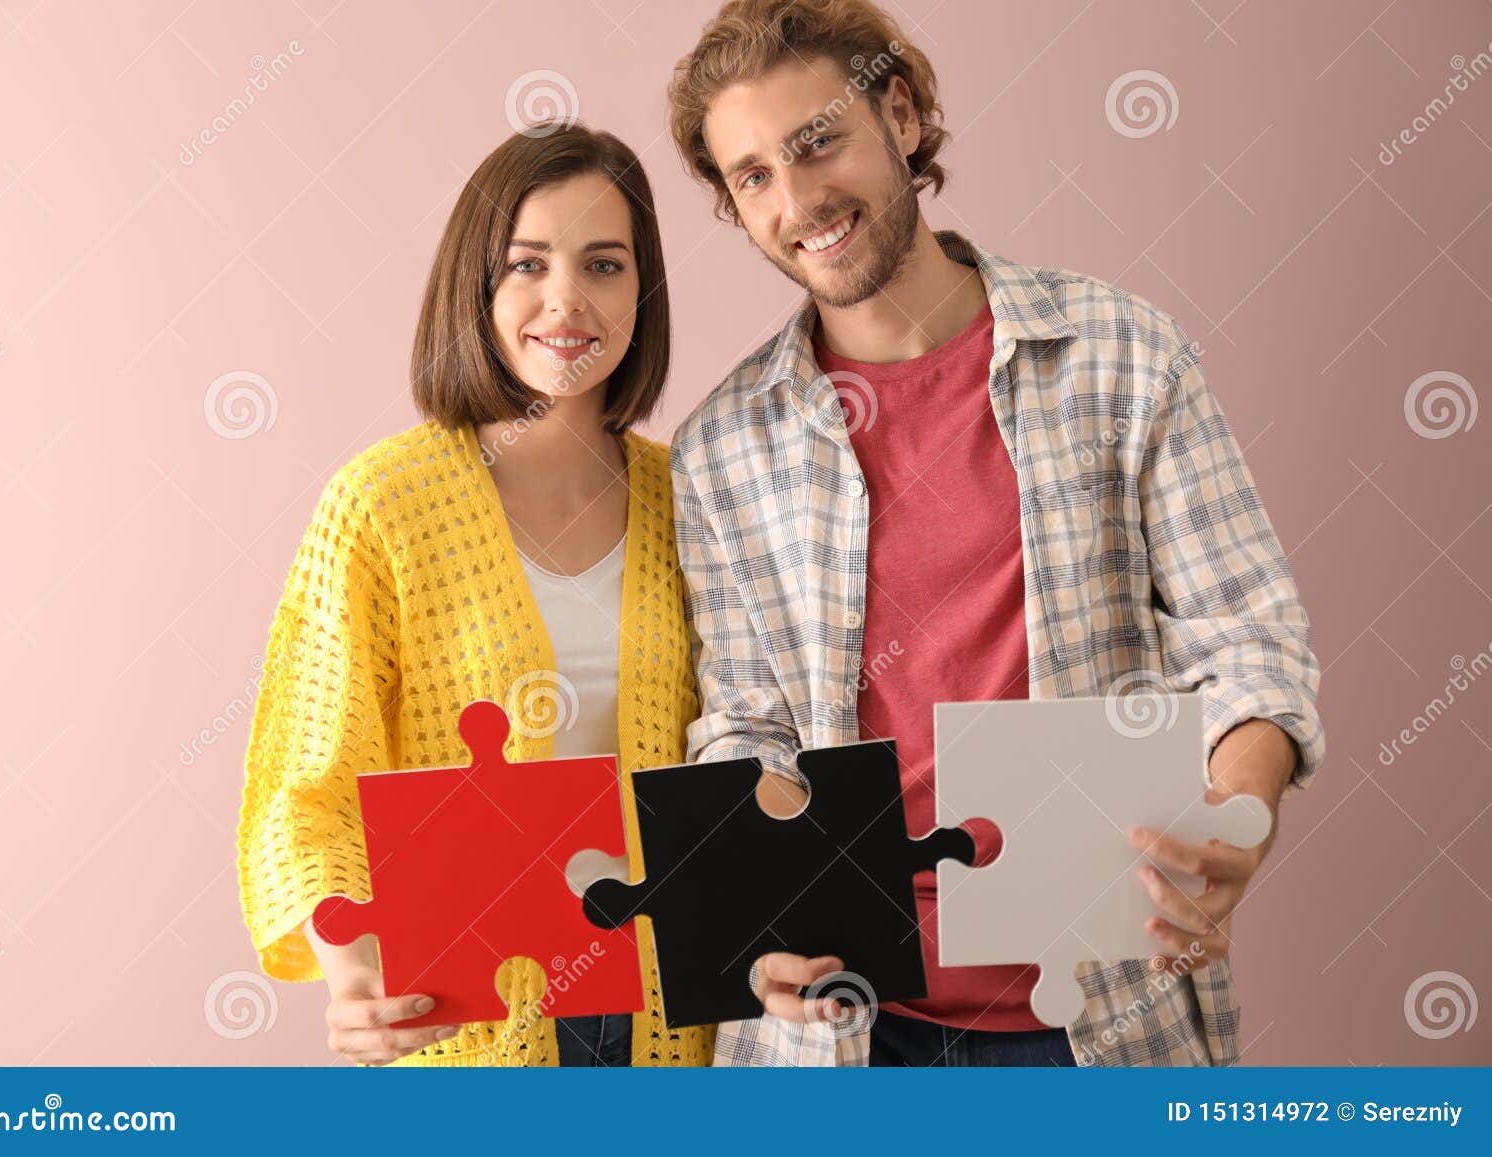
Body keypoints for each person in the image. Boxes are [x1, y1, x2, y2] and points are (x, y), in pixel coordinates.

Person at [665, 0, 1324, 1066]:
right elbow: (745, 724)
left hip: (1105, 1019)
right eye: (751, 176)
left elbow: (1245, 637)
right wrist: (759, 903)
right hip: (838, 1043)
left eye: (816, 142)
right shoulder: (720, 447)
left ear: (905, 112)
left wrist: (1235, 809)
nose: (796, 201)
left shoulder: (1122, 356)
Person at [236, 121, 713, 1068]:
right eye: (526, 264)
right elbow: (308, 786)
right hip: (472, 1029)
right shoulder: (382, 503)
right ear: (476, 284)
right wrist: (352, 974)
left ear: (642, 290)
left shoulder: (692, 494)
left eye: (605, 264)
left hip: (671, 1016)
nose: (565, 300)